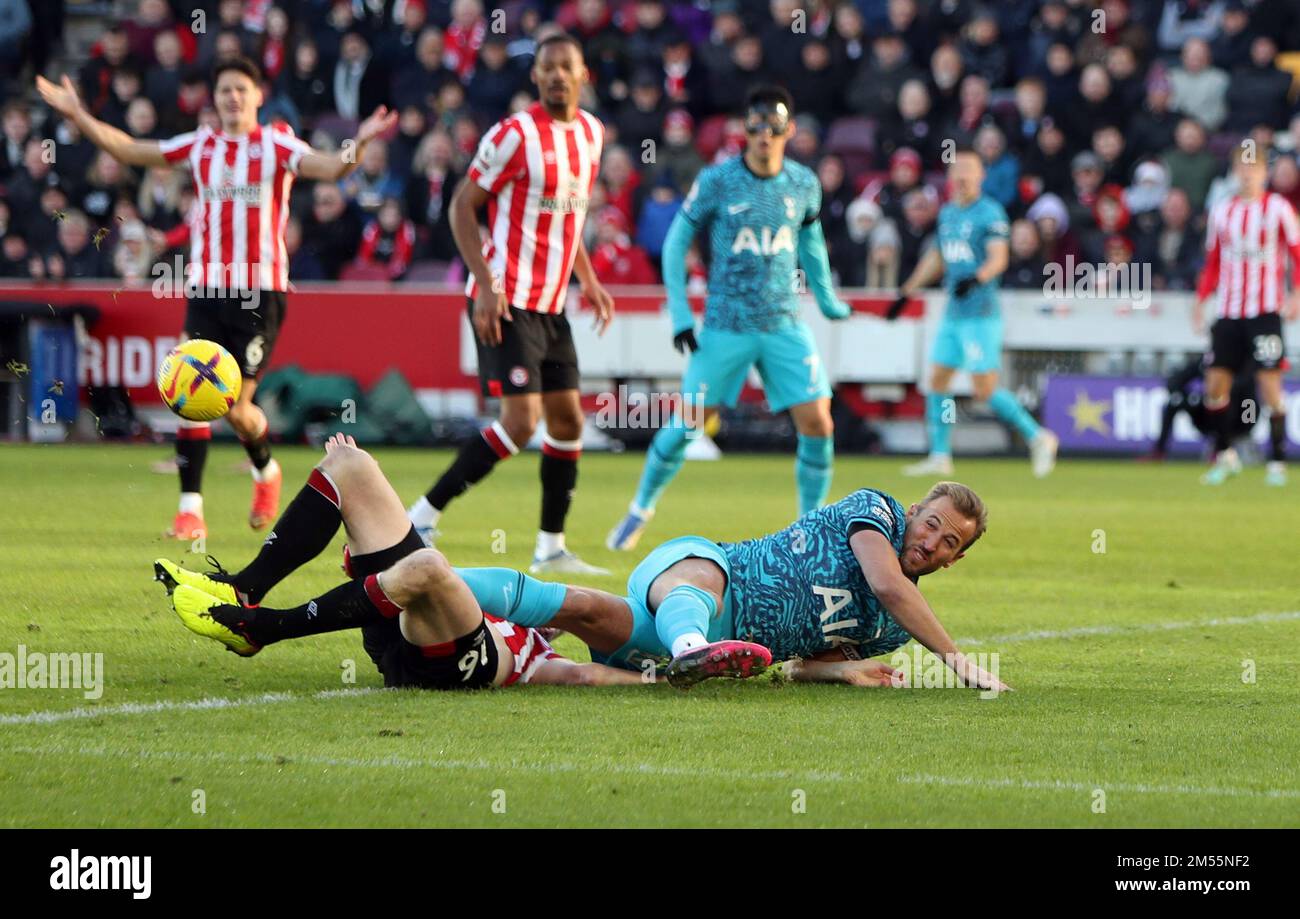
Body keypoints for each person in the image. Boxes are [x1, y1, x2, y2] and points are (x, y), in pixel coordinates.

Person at [156, 436, 979, 691]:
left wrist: (843, 674)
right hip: (700, 571)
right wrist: (961, 662)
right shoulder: (876, 516)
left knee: (432, 562)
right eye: (934, 524)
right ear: (916, 509)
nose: (933, 542)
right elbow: (883, 577)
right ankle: (249, 603)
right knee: (354, 470)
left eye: (951, 544)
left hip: (452, 645)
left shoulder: (886, 629)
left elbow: (798, 667)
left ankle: (268, 624)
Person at [36, 57, 396, 539]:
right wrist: (77, 115)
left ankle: (266, 471)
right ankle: (190, 510)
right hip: (207, 287)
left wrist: (364, 136)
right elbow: (127, 149)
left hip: (259, 292)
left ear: (257, 96)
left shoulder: (276, 145)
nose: (232, 97)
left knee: (237, 409)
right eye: (224, 89)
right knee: (188, 392)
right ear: (215, 98)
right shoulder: (200, 146)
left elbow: (331, 167)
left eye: (241, 89)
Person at [607, 85, 852, 553]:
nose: (764, 136)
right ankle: (640, 508)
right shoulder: (717, 180)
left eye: (773, 127)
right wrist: (680, 314)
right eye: (756, 126)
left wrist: (827, 300)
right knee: (687, 425)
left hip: (783, 323)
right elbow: (678, 242)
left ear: (789, 131)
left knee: (819, 421)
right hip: (724, 325)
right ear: (745, 130)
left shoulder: (803, 183)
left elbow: (812, 243)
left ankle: (810, 526)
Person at [405, 34, 616, 575]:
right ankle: (423, 515)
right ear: (536, 77)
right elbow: (461, 206)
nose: (556, 77)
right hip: (504, 298)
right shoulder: (514, 135)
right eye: (547, 69)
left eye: (565, 68)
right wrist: (485, 282)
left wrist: (587, 279)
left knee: (568, 421)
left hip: (551, 304)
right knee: (522, 421)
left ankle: (550, 548)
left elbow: (569, 222)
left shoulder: (592, 135)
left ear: (583, 74)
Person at [889, 148, 1059, 478]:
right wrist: (906, 291)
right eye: (958, 175)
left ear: (980, 177)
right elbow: (938, 257)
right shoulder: (948, 213)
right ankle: (940, 455)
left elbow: (999, 258)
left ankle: (1038, 437)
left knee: (984, 387)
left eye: (969, 174)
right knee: (937, 380)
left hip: (981, 314)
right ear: (951, 179)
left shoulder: (990, 213)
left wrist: (976, 278)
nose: (963, 180)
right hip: (954, 313)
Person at [1193, 144, 1300, 487]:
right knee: (1215, 385)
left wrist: (1297, 294)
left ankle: (1278, 461)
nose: (1247, 173)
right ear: (1235, 170)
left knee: (1270, 385)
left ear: (1264, 172)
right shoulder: (1222, 211)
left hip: (1265, 311)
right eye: (1242, 166)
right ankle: (1225, 455)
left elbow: (1297, 254)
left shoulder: (1278, 209)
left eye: (1253, 167)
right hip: (1229, 312)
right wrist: (1200, 300)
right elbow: (1212, 263)